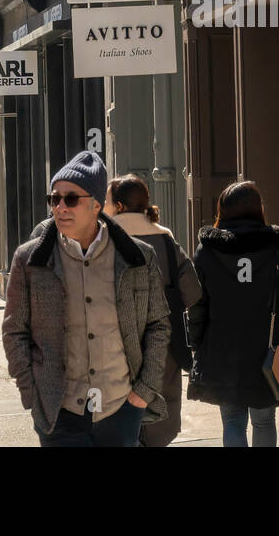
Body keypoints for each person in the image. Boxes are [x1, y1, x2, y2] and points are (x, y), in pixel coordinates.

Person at [2, 150, 171, 447]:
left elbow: (159, 325)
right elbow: (14, 331)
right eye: (54, 199)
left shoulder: (138, 257)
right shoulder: (29, 260)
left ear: (96, 205)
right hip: (59, 411)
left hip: (120, 408)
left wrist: (143, 392)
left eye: (70, 199)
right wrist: (32, 393)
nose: (60, 207)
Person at [186, 181, 279, 447]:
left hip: (221, 347)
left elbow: (197, 305)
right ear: (258, 209)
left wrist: (196, 342)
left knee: (232, 421)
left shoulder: (208, 251)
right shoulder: (278, 249)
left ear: (223, 210)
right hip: (267, 346)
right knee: (264, 421)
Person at [104, 175, 200, 447]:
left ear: (119, 206)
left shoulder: (104, 240)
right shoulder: (166, 241)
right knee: (162, 404)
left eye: (108, 201)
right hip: (165, 341)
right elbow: (193, 291)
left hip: (114, 341)